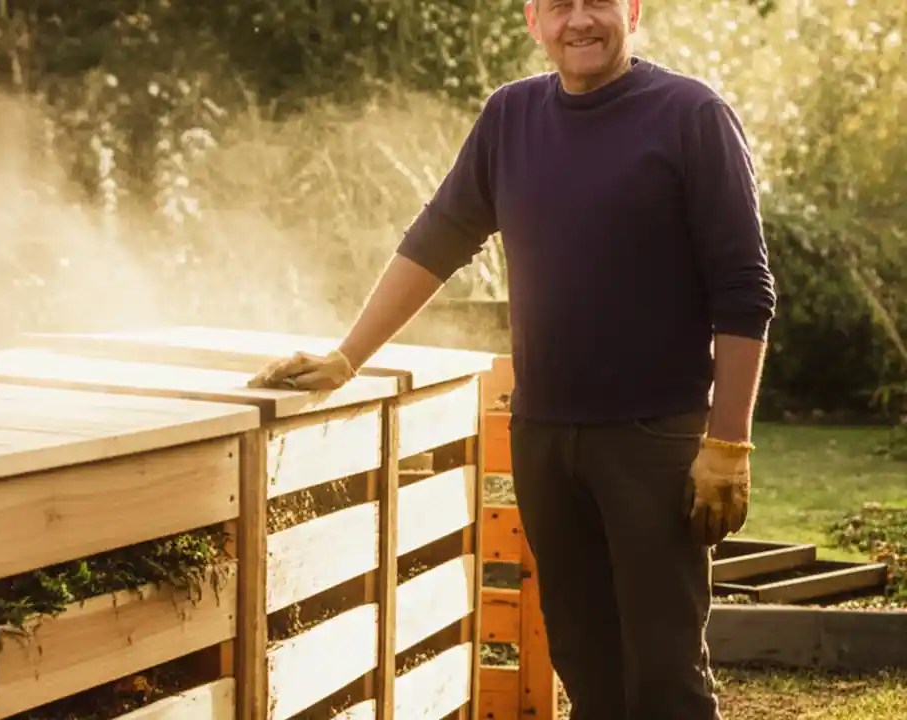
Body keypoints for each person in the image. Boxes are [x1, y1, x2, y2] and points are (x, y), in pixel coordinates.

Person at [246, 1, 776, 718]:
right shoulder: (511, 117)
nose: (580, 21)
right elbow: (437, 240)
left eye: (598, 3)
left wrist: (728, 441)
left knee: (663, 675)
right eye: (561, 5)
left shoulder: (690, 115)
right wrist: (347, 358)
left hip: (656, 442)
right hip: (545, 437)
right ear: (533, 20)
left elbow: (744, 291)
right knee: (585, 663)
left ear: (633, 11)